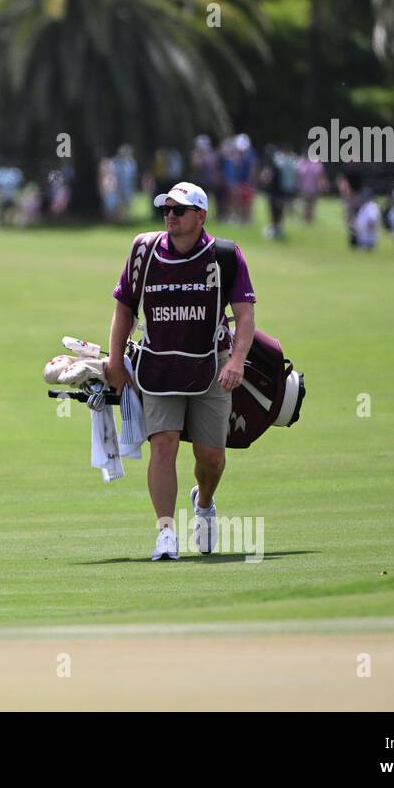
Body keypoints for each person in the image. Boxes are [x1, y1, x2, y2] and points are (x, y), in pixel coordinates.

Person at [102, 182, 257, 561]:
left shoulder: (225, 255)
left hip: (210, 363)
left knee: (212, 458)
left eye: (179, 210)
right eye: (166, 209)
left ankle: (203, 503)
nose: (170, 216)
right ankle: (166, 533)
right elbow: (125, 307)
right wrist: (114, 360)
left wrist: (236, 361)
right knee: (163, 442)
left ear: (201, 216)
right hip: (159, 363)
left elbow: (245, 314)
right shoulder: (144, 250)